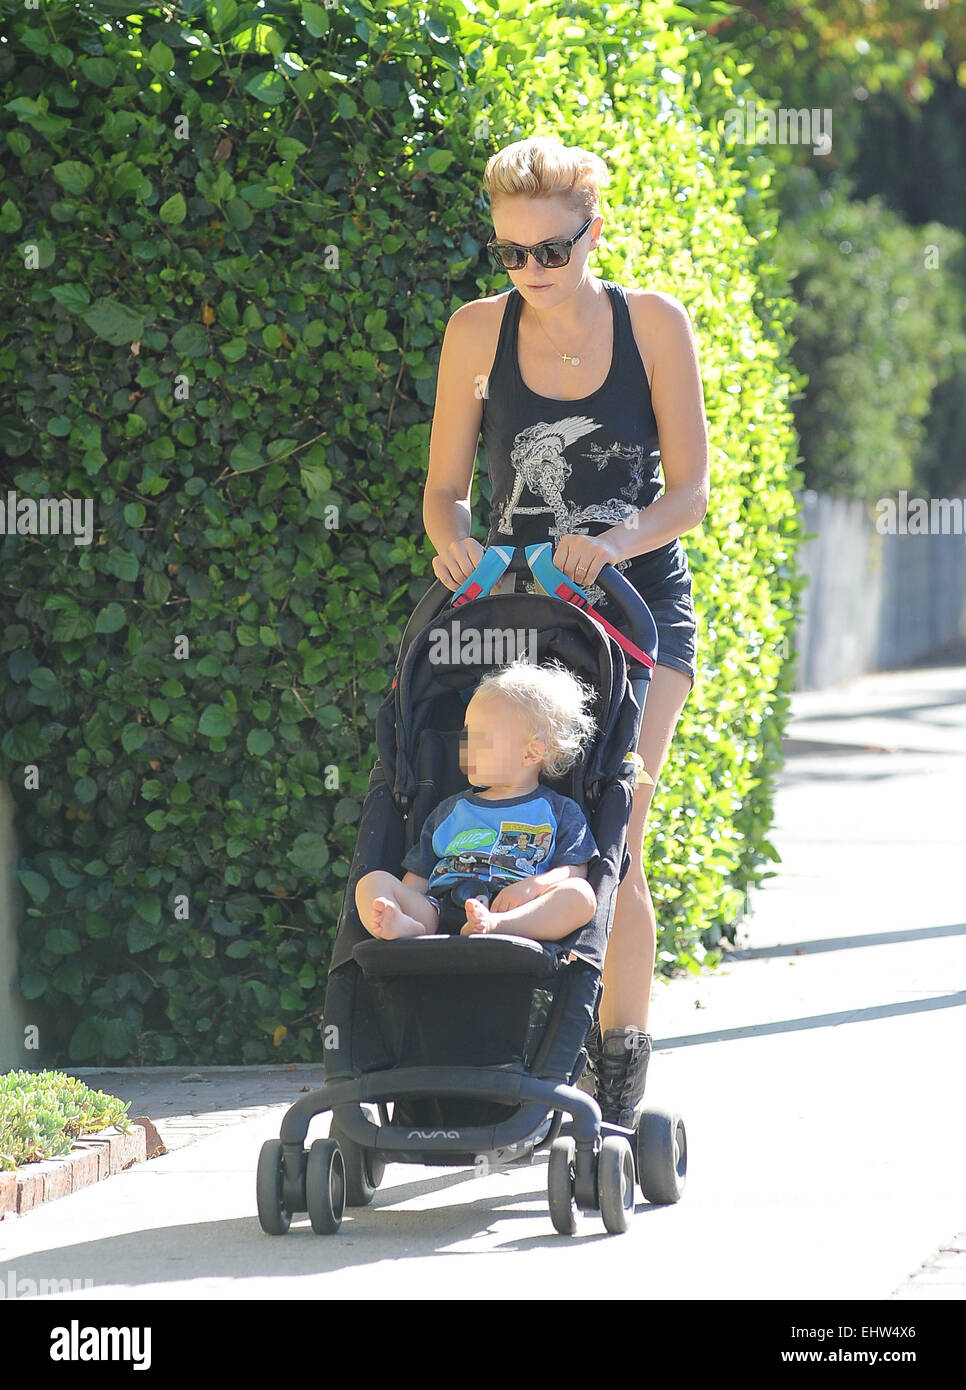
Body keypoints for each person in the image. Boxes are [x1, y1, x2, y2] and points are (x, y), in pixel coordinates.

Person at [423, 135, 710, 1125]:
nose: (532, 272)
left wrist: (616, 538)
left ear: (592, 229)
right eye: (511, 253)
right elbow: (444, 494)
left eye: (551, 250)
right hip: (528, 610)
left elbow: (691, 494)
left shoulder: (654, 327)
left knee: (619, 828)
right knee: (521, 824)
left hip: (636, 615)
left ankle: (620, 1055)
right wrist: (451, 546)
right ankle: (525, 1038)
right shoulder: (476, 333)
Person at [355, 659, 599, 943]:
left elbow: (574, 870)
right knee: (373, 882)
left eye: (480, 739)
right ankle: (409, 927)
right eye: (466, 736)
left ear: (531, 753)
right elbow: (417, 879)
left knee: (581, 895)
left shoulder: (558, 811)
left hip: (517, 907)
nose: (466, 747)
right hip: (440, 909)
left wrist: (533, 887)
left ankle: (497, 926)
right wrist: (402, 901)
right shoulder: (448, 811)